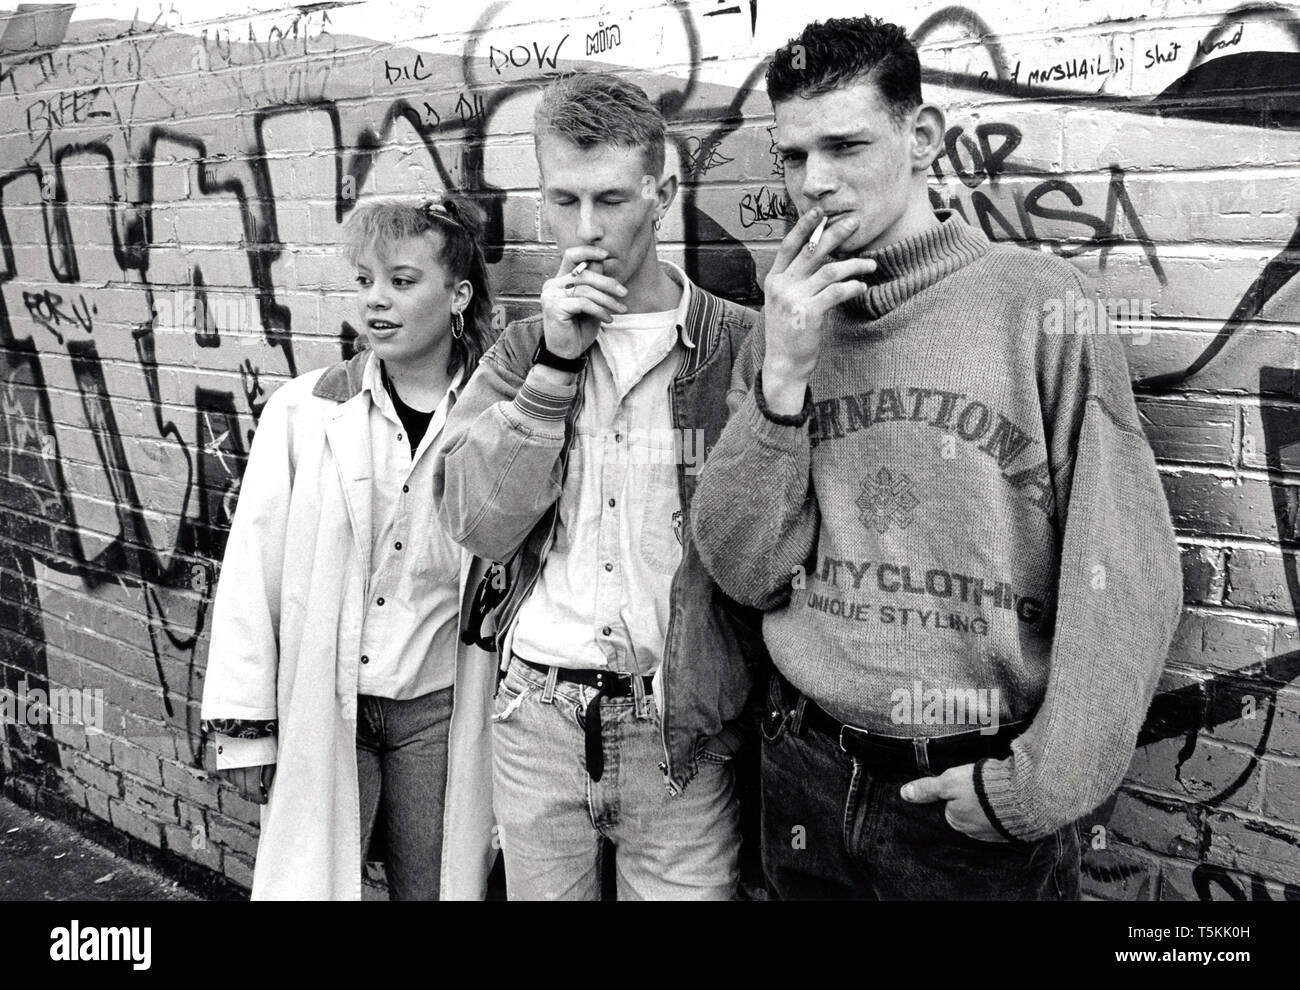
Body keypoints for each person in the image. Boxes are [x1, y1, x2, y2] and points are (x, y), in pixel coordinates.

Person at [691, 15, 1183, 900]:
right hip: (802, 769)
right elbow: (743, 566)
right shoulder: (787, 320)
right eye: (793, 157)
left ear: (923, 138)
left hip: (968, 804)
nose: (817, 183)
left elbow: (1127, 574)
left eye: (846, 146)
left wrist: (1036, 787)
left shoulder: (1039, 308)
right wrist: (783, 378)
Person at [433, 72, 764, 900]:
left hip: (679, 732)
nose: (586, 232)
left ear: (664, 191)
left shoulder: (741, 348)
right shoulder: (520, 351)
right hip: (538, 719)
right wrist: (554, 366)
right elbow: (476, 521)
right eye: (563, 201)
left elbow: (770, 548)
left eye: (611, 200)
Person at [199, 194, 498, 900]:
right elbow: (252, 573)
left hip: (439, 711)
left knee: (436, 889)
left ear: (457, 295)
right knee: (313, 888)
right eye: (364, 280)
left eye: (402, 280)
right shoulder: (306, 411)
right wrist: (244, 729)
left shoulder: (496, 413)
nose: (376, 302)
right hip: (327, 706)